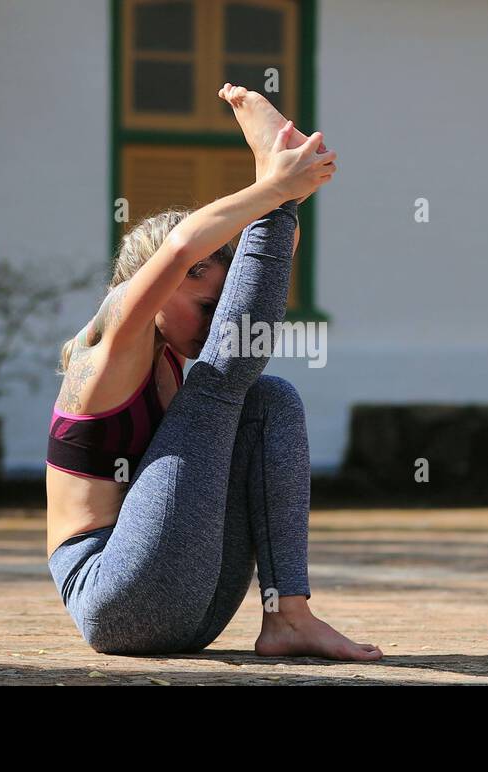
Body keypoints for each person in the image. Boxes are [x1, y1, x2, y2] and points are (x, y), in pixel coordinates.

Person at [45, 84, 381, 660]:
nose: (213, 323)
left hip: (193, 603)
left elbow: (269, 259)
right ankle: (276, 181)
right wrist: (275, 185)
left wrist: (280, 201)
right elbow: (178, 249)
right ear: (161, 288)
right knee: (223, 380)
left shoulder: (174, 360)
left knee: (269, 396)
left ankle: (287, 617)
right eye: (205, 306)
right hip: (112, 596)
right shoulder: (106, 343)